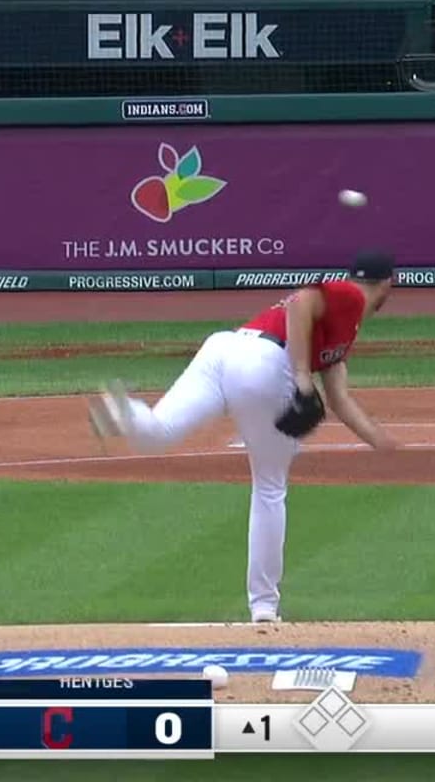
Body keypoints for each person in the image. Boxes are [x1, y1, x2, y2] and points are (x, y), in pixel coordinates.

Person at [88, 250, 400, 624]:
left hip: (224, 349)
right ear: (387, 284)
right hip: (265, 363)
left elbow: (340, 399)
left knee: (156, 433)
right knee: (270, 488)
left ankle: (123, 410)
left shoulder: (343, 330)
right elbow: (301, 302)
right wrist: (302, 379)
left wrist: (384, 445)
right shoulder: (351, 296)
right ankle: (264, 607)